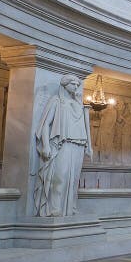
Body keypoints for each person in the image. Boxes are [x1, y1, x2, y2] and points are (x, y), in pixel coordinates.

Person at [33, 75, 92, 217]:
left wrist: (89, 146)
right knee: (60, 176)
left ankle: (70, 207)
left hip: (78, 145)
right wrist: (46, 145)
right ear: (65, 85)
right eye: (73, 84)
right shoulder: (56, 101)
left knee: (74, 180)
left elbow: (85, 126)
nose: (76, 87)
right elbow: (46, 124)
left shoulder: (78, 104)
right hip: (62, 144)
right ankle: (54, 208)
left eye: (78, 85)